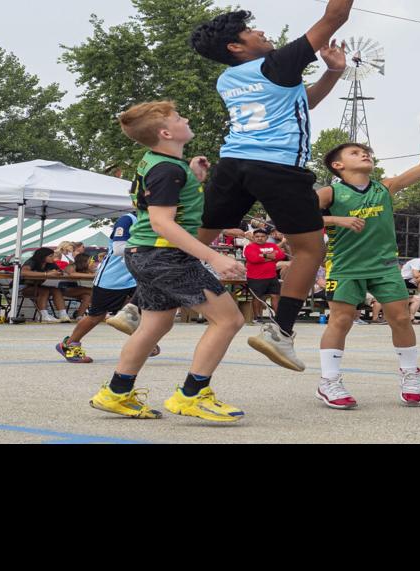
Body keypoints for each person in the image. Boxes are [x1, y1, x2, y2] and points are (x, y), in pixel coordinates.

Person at [189, 0, 353, 372]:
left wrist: (333, 72)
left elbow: (301, 102)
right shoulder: (276, 64)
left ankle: (138, 304)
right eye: (251, 31)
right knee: (310, 250)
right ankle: (280, 331)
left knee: (195, 239)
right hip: (277, 166)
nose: (261, 32)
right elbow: (336, 16)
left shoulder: (227, 79)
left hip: (233, 163)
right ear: (235, 45)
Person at [88, 100, 250, 422]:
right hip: (165, 255)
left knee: (156, 324)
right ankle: (192, 395)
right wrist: (213, 256)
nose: (185, 118)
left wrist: (191, 174)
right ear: (165, 133)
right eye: (178, 117)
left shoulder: (162, 164)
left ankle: (116, 393)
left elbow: (160, 200)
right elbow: (162, 222)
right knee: (229, 320)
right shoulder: (167, 171)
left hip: (145, 253)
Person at [312, 115, 420, 410]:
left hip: (383, 265)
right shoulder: (330, 193)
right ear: (338, 165)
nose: (364, 154)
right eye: (355, 152)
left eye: (366, 152)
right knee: (341, 320)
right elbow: (295, 217)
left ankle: (410, 375)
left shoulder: (384, 188)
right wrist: (336, 219)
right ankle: (328, 381)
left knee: (401, 318)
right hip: (345, 265)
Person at [56, 212, 165, 364]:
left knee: (147, 309)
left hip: (135, 277)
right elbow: (119, 249)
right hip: (113, 278)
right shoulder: (128, 219)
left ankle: (142, 340)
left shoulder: (159, 219)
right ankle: (69, 344)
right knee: (96, 316)